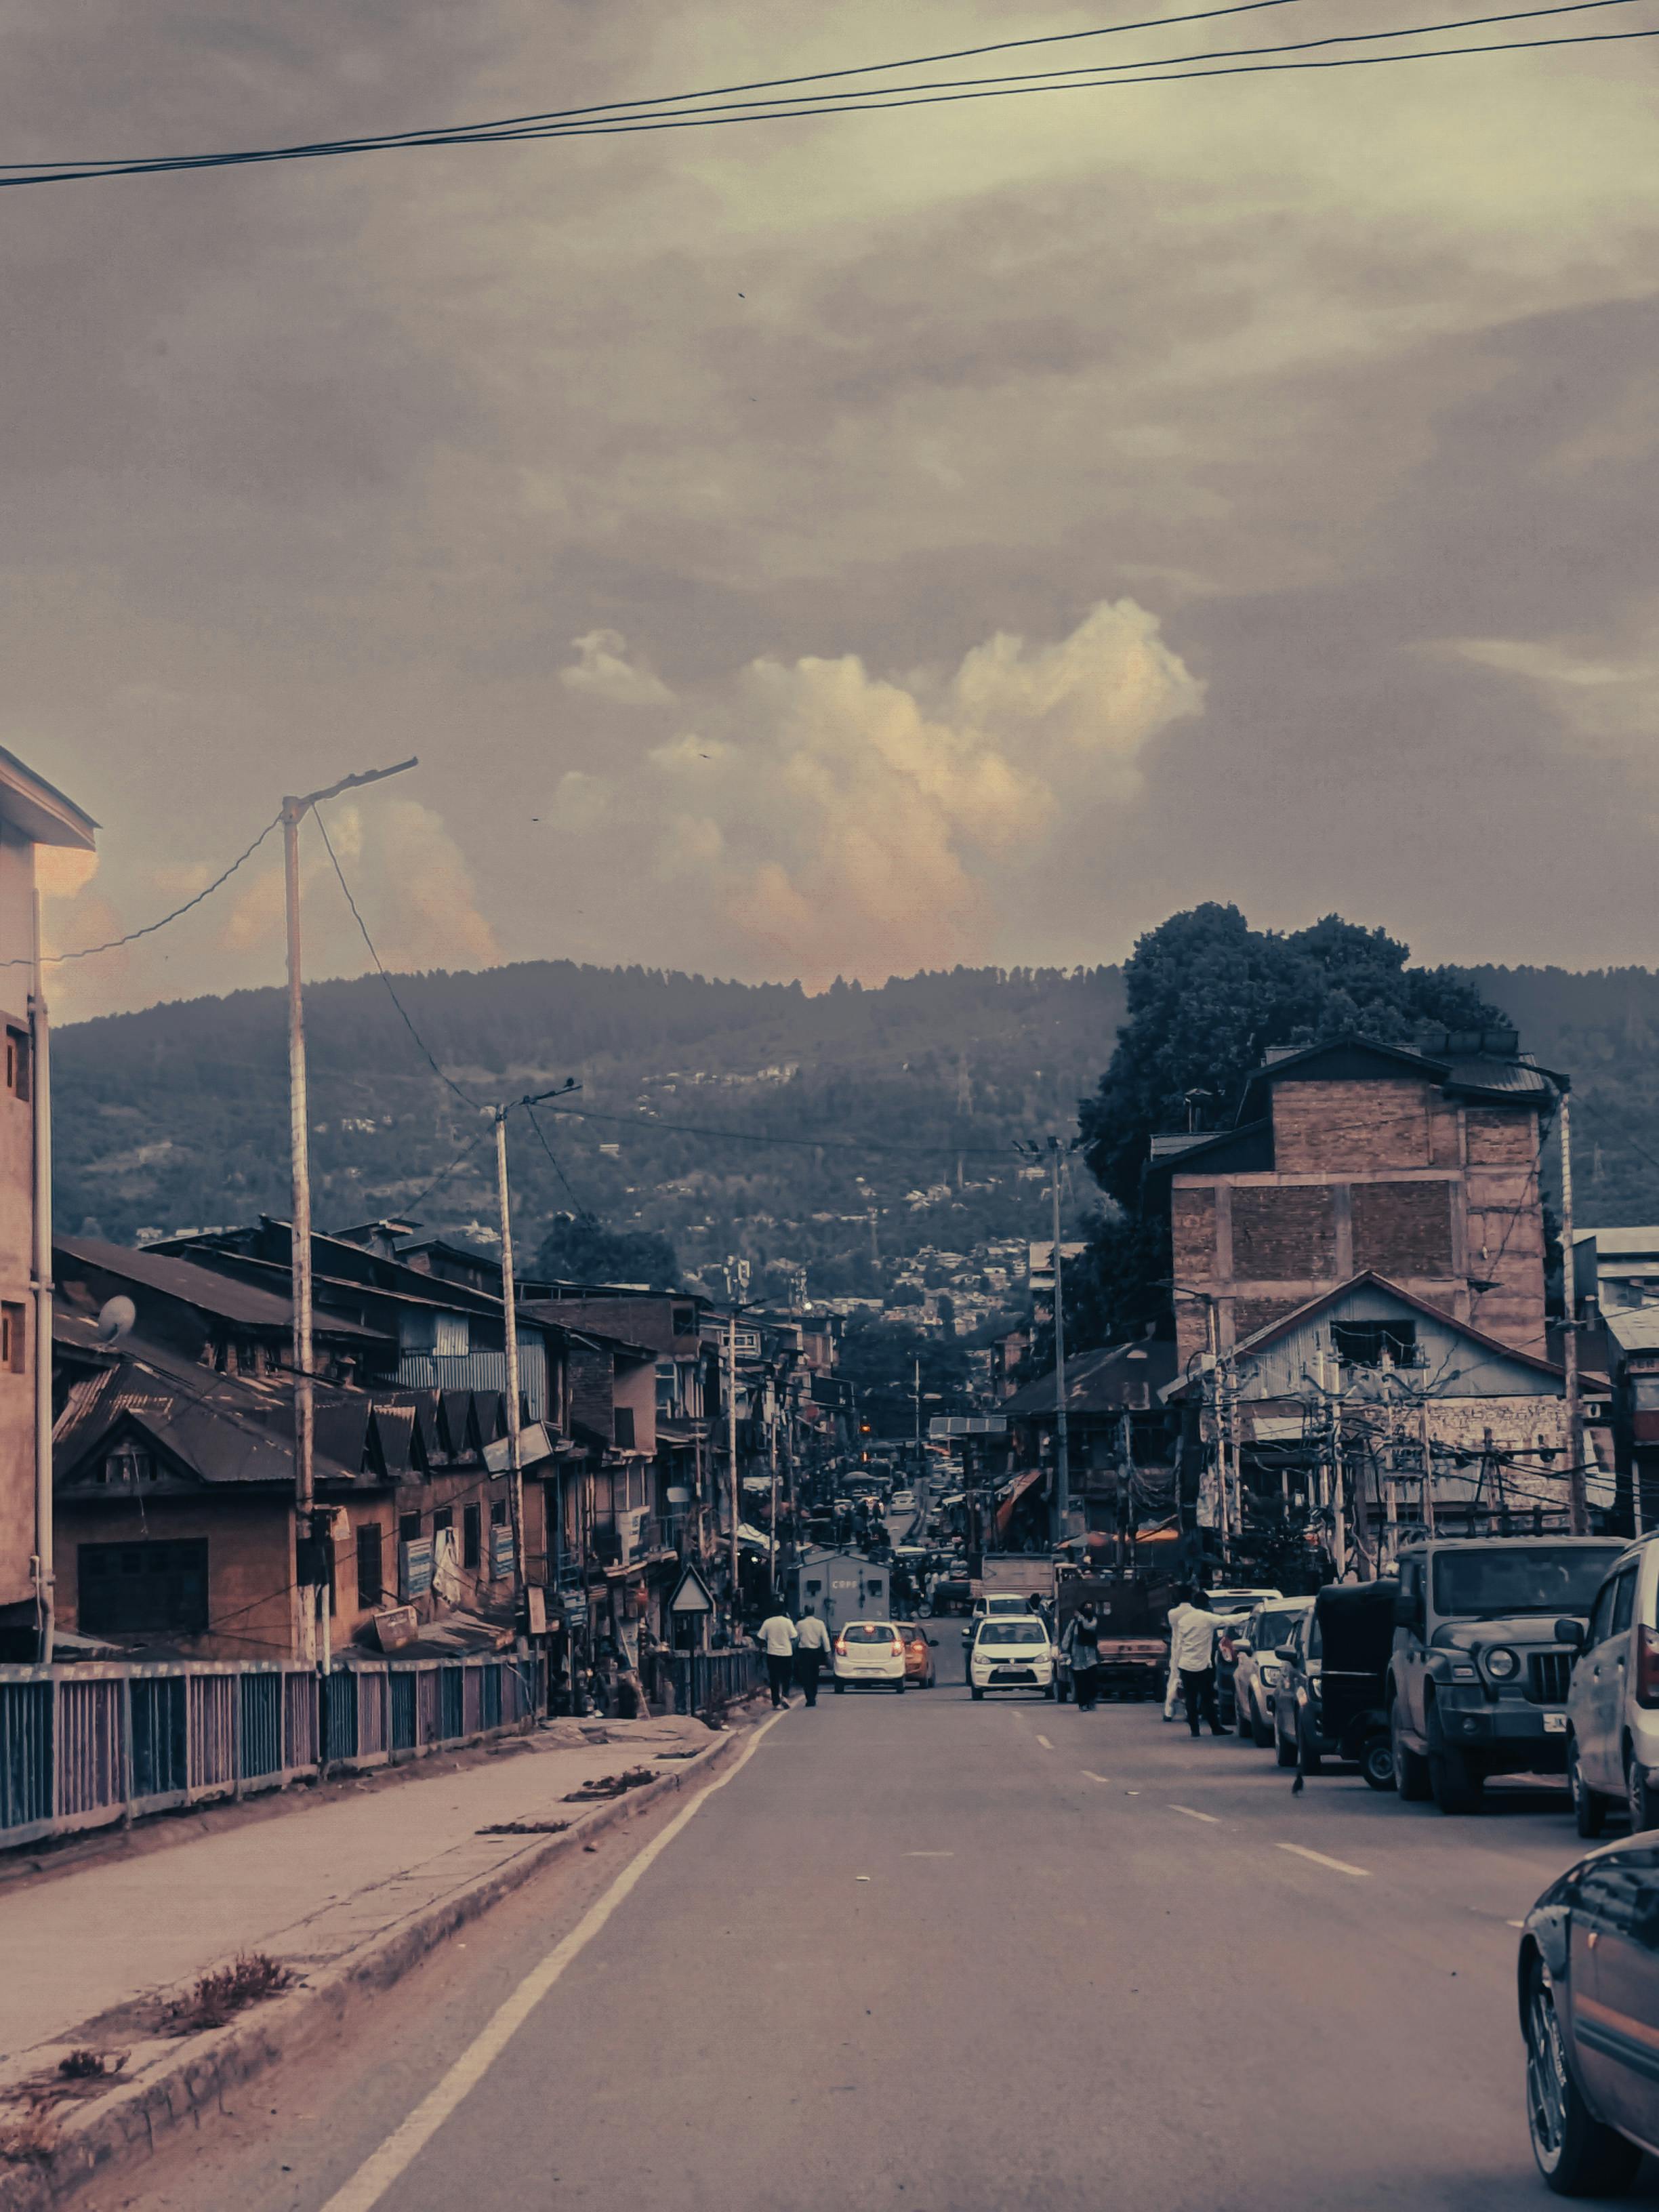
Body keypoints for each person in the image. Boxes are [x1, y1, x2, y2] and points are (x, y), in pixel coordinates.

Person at [1172, 1584, 1233, 1738]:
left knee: (1191, 1698)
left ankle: (1195, 1729)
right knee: (1207, 1697)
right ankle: (1215, 1727)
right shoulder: (1208, 1618)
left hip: (1186, 1665)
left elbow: (1180, 1644)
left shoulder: (1184, 1620)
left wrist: (1177, 1667)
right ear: (1207, 1604)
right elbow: (1228, 1621)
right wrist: (1248, 1615)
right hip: (1204, 1665)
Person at [1062, 1599, 1103, 1712]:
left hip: (1091, 1658)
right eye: (1086, 1607)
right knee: (1080, 1683)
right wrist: (1065, 1650)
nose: (1088, 1610)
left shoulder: (1093, 1620)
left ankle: (1091, 1701)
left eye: (1090, 1607)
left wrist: (1081, 1618)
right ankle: (1083, 1703)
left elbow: (1088, 1627)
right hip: (1077, 1658)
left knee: (1092, 1681)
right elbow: (1068, 1636)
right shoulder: (1074, 1623)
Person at [756, 1599, 798, 1708]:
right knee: (786, 1677)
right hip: (786, 1653)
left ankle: (776, 1703)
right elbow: (794, 1636)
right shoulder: (788, 1622)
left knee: (774, 1678)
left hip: (772, 1653)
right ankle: (785, 1696)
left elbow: (760, 1637)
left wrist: (765, 1645)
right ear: (783, 1610)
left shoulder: (768, 1622)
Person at [794, 1610, 832, 1706]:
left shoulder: (800, 1624)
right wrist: (828, 1652)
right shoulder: (820, 1623)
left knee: (806, 1675)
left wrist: (794, 1651)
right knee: (815, 1674)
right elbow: (825, 1638)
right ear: (814, 1612)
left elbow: (796, 1638)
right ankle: (813, 1695)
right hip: (816, 1652)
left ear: (806, 1612)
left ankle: (809, 1697)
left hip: (804, 1652)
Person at [1164, 1595, 1187, 1721]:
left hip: (1177, 1653)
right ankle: (1188, 1711)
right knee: (1188, 1684)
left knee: (1174, 1681)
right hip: (1190, 1652)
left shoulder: (1173, 1614)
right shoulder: (1195, 1615)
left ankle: (1169, 1711)